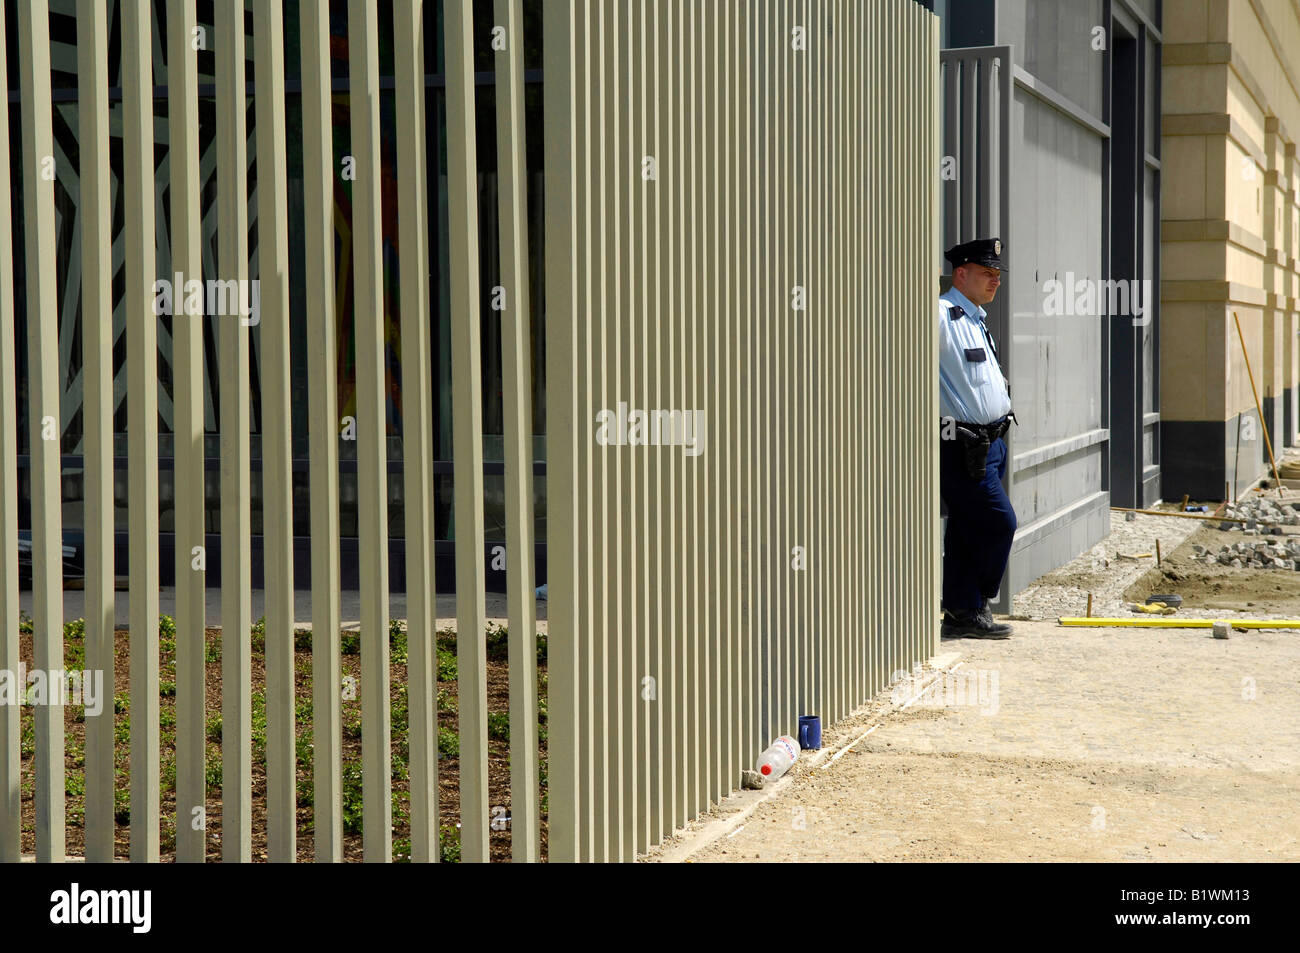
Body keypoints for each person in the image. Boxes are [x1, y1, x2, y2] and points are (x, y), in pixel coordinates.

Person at [938, 237, 1017, 639]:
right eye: (987, 273)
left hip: (993, 443)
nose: (995, 281)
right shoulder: (939, 316)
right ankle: (979, 598)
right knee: (1000, 523)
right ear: (961, 273)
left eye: (997, 274)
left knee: (968, 529)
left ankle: (961, 611)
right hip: (961, 446)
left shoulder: (975, 318)